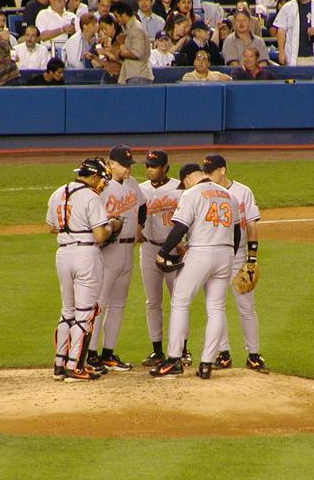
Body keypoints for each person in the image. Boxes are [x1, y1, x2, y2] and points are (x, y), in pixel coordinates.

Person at [149, 154, 241, 380]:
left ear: (189, 178)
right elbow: (237, 233)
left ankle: (173, 360)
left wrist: (162, 253)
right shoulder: (229, 195)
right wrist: (228, 256)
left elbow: (180, 227)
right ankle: (207, 364)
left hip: (201, 252)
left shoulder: (192, 194)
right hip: (226, 253)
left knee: (180, 302)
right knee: (216, 308)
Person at [47, 158, 123, 381]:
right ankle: (75, 367)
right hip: (86, 255)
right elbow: (100, 235)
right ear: (93, 176)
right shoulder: (91, 197)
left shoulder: (58, 192)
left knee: (67, 312)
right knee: (85, 314)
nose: (101, 183)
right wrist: (112, 225)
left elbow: (52, 227)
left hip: (63, 254)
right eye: (100, 178)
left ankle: (60, 364)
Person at [202, 155, 268, 375]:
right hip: (215, 255)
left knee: (246, 307)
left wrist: (252, 257)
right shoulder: (203, 192)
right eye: (205, 170)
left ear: (222, 170)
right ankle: (223, 353)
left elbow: (251, 225)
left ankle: (254, 355)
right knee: (215, 306)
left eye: (210, 171)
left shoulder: (243, 192)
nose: (207, 174)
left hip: (238, 255)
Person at [83, 145, 144, 373]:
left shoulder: (132, 184)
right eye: (124, 165)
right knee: (99, 304)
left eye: (129, 165)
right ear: (111, 164)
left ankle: (108, 353)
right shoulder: (101, 186)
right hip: (107, 251)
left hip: (128, 251)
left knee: (118, 304)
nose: (128, 169)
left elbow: (144, 207)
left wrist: (140, 227)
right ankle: (91, 354)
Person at [138, 153, 192, 368]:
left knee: (178, 300)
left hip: (173, 249)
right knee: (152, 302)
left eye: (154, 166)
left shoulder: (181, 189)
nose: (149, 170)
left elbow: (191, 217)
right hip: (149, 248)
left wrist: (186, 242)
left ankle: (183, 350)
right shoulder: (140, 189)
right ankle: (157, 351)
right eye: (148, 166)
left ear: (166, 167)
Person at [89, 13, 123, 83]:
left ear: (112, 25)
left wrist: (106, 52)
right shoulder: (106, 41)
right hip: (107, 76)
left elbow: (123, 62)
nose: (104, 31)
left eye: (105, 28)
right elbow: (105, 63)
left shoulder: (121, 39)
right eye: (101, 29)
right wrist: (94, 57)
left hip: (119, 77)